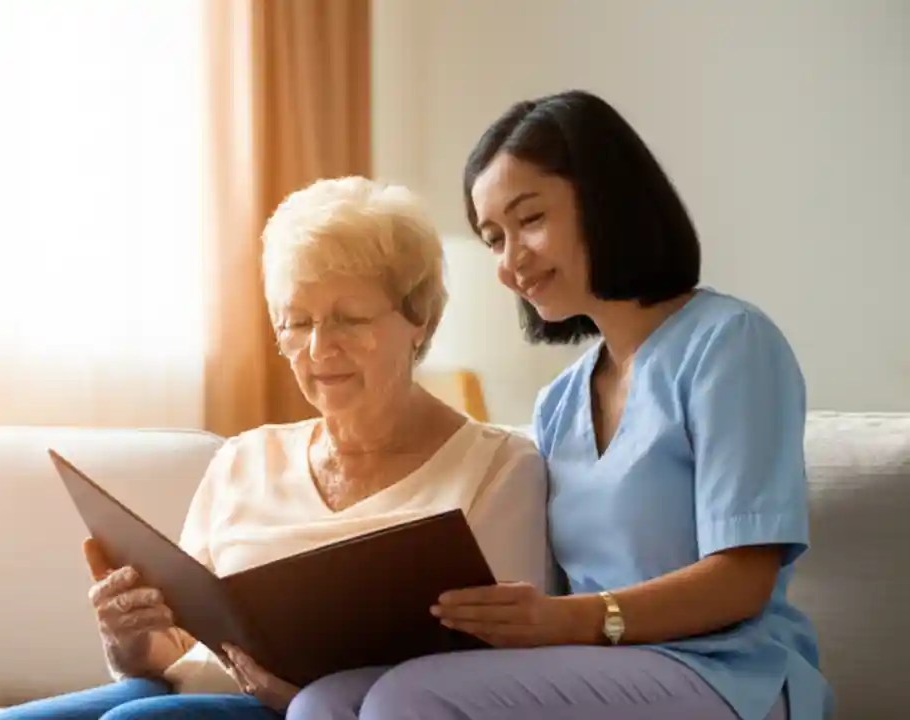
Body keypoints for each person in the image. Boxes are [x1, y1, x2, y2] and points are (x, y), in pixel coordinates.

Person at [288, 90, 831, 720]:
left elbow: (744, 578)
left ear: (605, 199)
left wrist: (568, 620)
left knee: (404, 701)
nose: (511, 260)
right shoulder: (560, 402)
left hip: (728, 672)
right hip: (599, 668)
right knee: (322, 704)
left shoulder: (730, 344)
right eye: (493, 238)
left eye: (530, 220)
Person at [0, 177, 550, 720]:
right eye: (296, 322)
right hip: (185, 694)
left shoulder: (498, 468)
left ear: (419, 320)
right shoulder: (242, 459)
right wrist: (128, 637)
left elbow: (495, 681)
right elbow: (179, 650)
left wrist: (305, 700)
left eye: (348, 320)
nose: (319, 347)